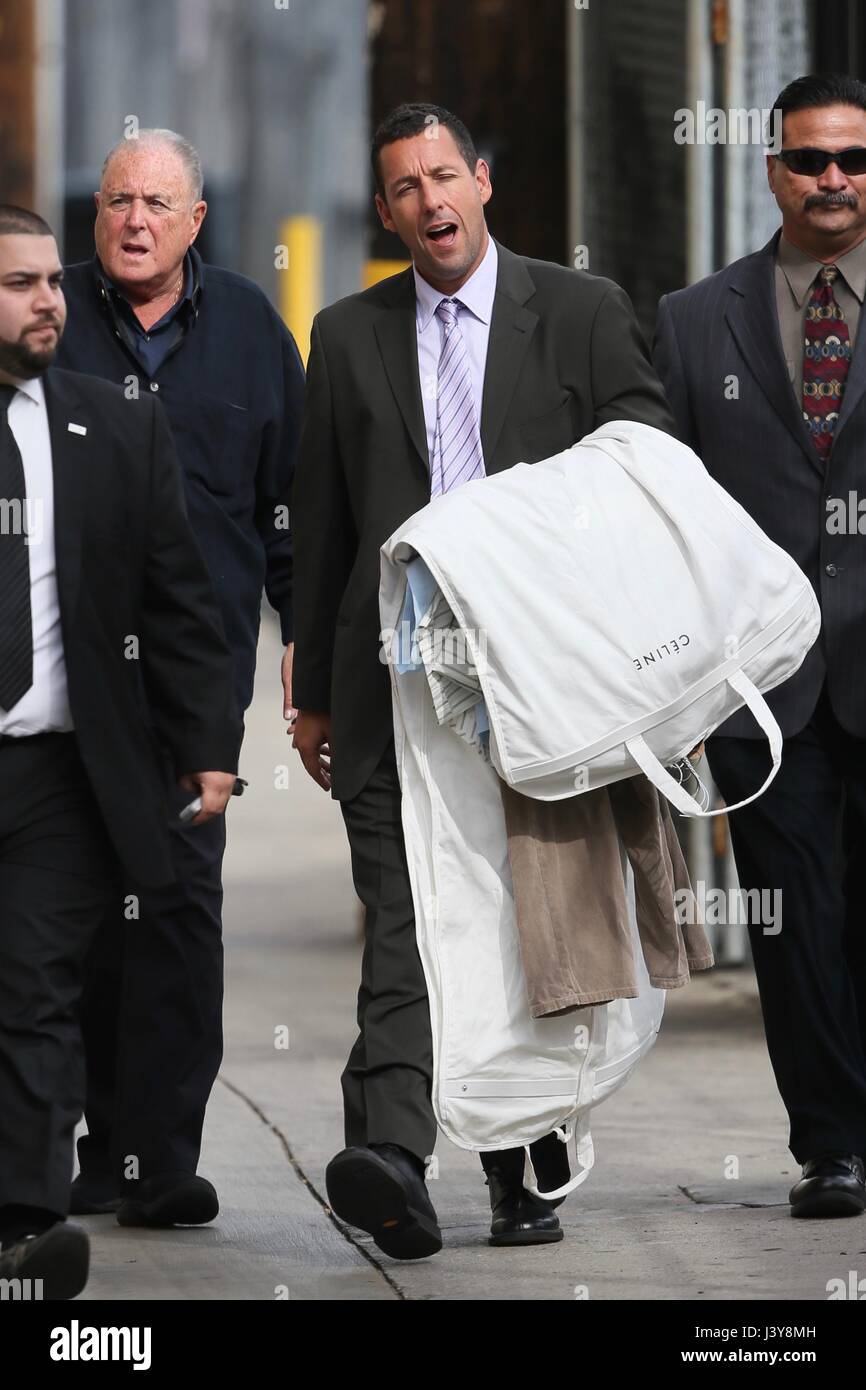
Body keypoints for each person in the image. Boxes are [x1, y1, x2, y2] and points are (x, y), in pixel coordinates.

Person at [291, 102, 676, 1258]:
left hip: (537, 678)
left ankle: (523, 1173)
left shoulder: (579, 309)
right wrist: (311, 688)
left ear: (483, 181)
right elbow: (321, 525)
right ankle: (396, 1161)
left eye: (443, 175)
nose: (428, 202)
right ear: (389, 209)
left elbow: (643, 460)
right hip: (393, 685)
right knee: (406, 921)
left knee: (526, 930)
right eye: (403, 187)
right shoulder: (348, 332)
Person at [54, 128, 305, 1226]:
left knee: (174, 910)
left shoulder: (249, 326)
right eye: (117, 202)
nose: (135, 220)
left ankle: (159, 1157)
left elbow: (289, 502)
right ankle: (85, 1142)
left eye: (157, 202)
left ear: (195, 220)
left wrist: (304, 643)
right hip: (62, 674)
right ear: (93, 215)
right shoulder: (47, 319)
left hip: (194, 682)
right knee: (67, 917)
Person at [0, 205, 242, 1299]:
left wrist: (205, 745)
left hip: (59, 772)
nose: (49, 299)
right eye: (19, 283)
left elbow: (176, 596)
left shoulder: (112, 425)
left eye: (53, 280)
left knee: (34, 990)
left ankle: (24, 1223)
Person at [654, 72, 866, 1219]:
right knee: (796, 927)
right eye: (809, 159)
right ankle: (829, 1145)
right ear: (770, 168)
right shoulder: (694, 322)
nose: (831, 178)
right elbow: (662, 502)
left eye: (851, 159)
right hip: (760, 685)